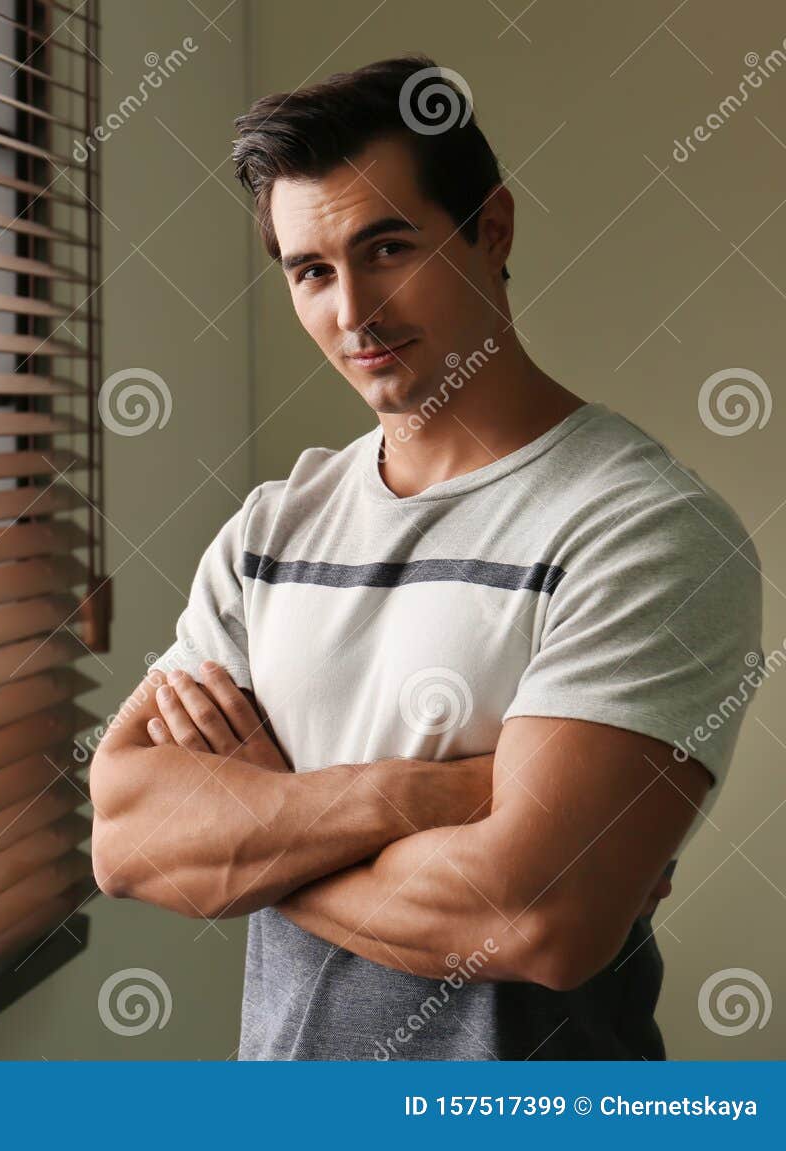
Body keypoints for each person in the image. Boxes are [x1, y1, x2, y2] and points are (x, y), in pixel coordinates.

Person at [87, 55, 764, 1060]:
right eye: (310, 270)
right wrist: (432, 795)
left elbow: (540, 920)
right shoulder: (269, 532)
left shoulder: (640, 531)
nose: (351, 311)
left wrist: (254, 837)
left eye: (387, 246)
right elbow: (125, 840)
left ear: (490, 231)